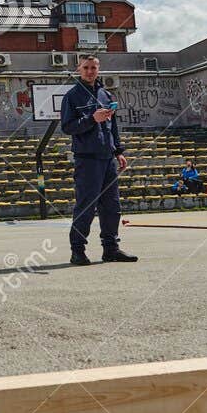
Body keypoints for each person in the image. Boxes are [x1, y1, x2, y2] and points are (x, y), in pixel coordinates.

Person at [59, 53, 136, 265]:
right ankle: (78, 251)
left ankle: (111, 248)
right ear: (79, 70)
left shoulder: (106, 95)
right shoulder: (72, 97)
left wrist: (118, 151)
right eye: (86, 68)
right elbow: (67, 127)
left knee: (112, 206)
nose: (90, 71)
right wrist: (91, 119)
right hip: (87, 158)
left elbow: (113, 127)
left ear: (98, 69)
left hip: (107, 157)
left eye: (93, 67)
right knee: (86, 205)